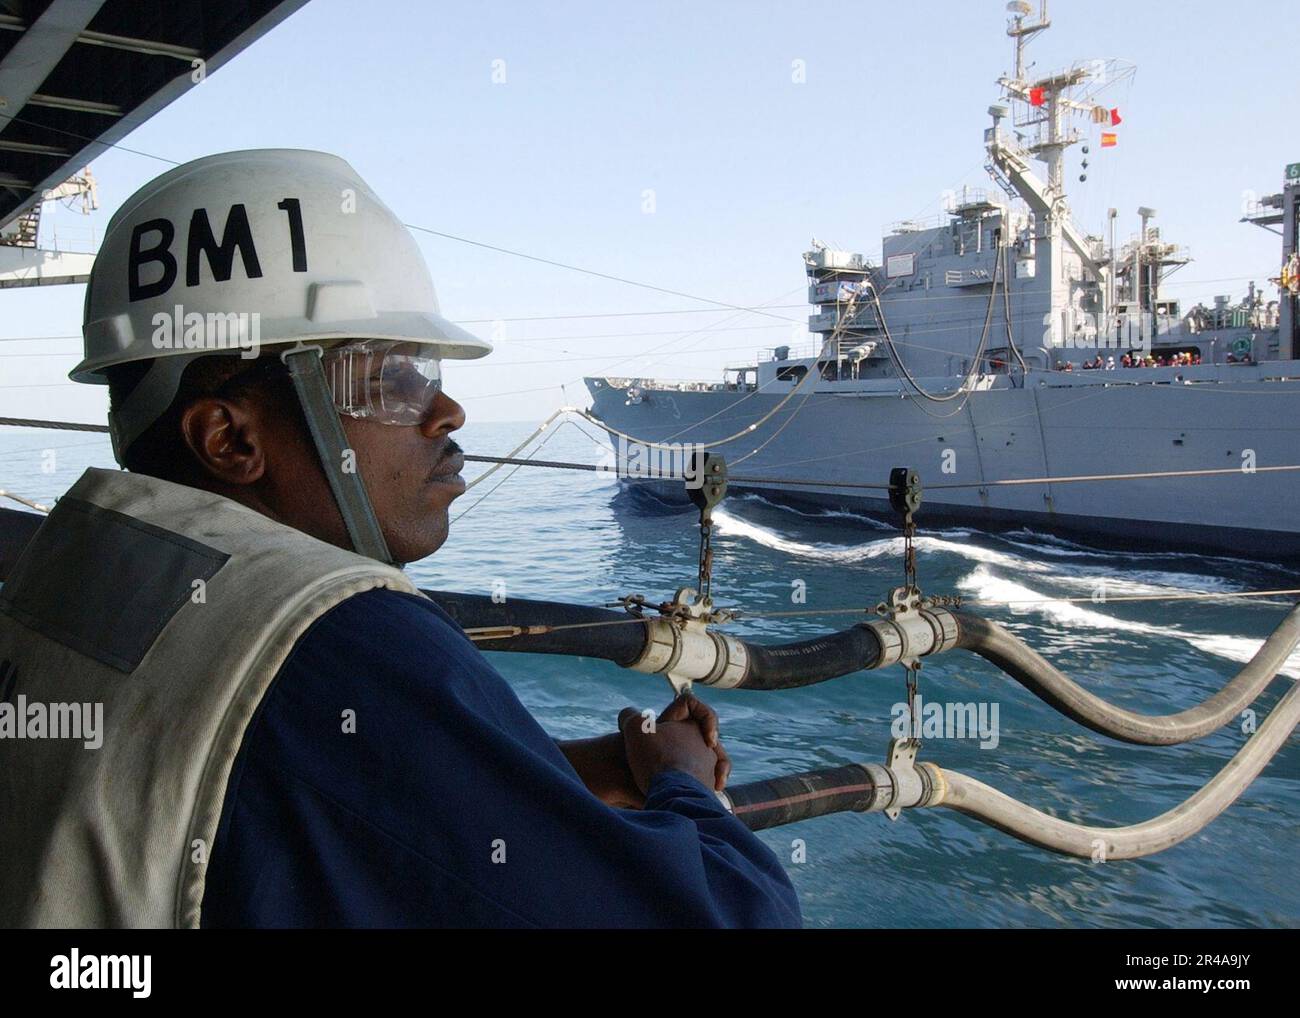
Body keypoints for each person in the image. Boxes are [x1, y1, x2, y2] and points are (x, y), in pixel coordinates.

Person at [0, 150, 800, 929]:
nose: (446, 412)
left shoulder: (68, 570)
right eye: (383, 379)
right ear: (229, 440)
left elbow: (254, 769)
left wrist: (540, 775)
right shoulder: (331, 633)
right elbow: (730, 915)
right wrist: (684, 785)